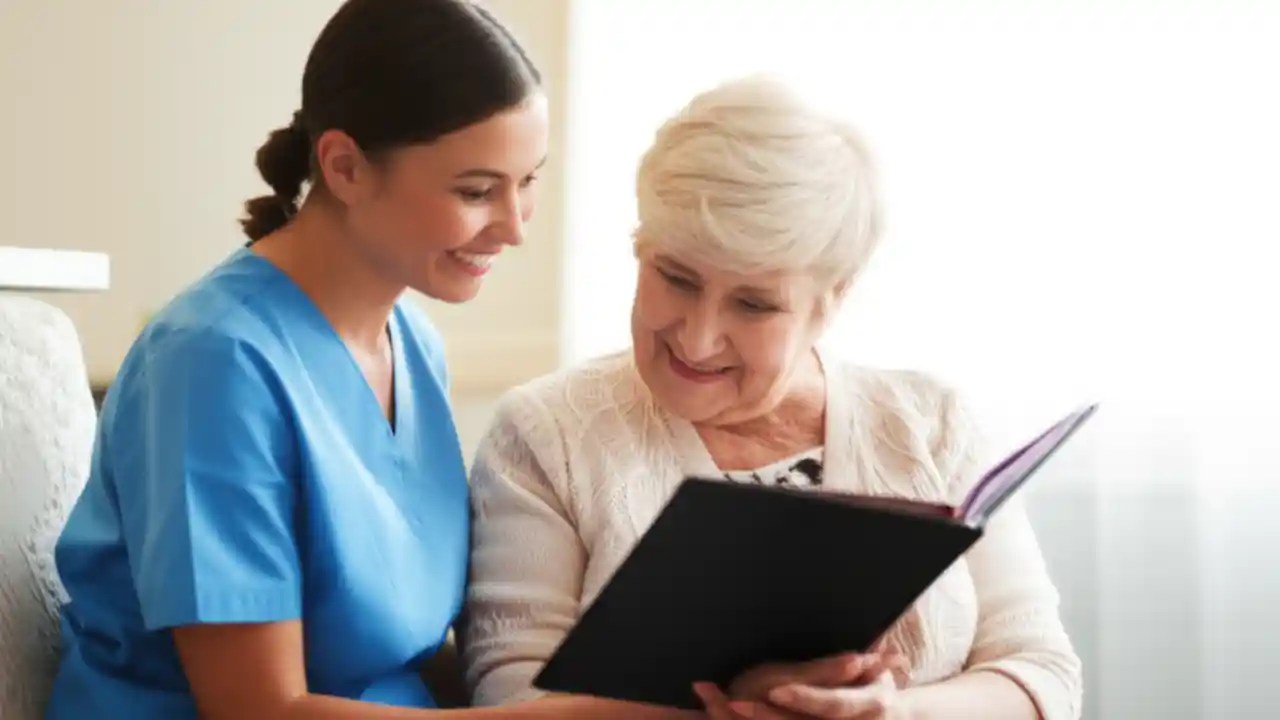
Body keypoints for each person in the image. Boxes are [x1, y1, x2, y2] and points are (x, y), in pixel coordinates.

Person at [461, 75, 1085, 720]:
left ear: (831, 299)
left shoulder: (933, 424)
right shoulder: (547, 432)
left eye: (755, 304)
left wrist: (890, 715)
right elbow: (511, 702)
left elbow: (1042, 678)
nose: (698, 340)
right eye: (674, 277)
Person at [44, 1, 556, 717]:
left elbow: (391, 652)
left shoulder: (414, 346)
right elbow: (259, 709)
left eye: (528, 181)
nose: (513, 227)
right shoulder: (212, 364)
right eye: (475, 191)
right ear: (344, 166)